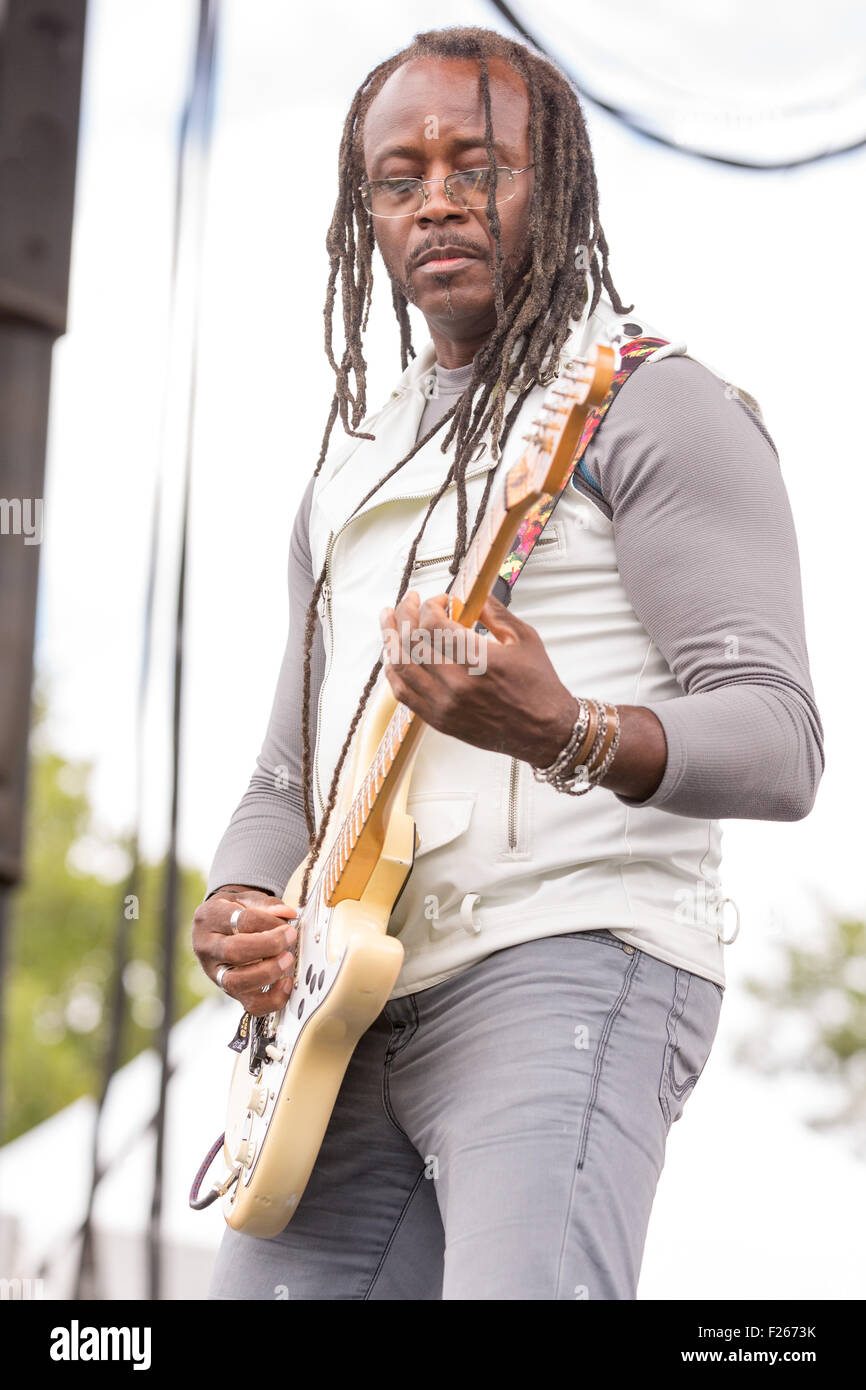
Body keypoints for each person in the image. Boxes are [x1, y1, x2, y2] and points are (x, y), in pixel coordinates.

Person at [192, 26, 824, 1300]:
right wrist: (237, 908)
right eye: (398, 175)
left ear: (557, 186)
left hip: (570, 958)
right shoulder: (346, 471)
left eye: (475, 164)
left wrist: (565, 729)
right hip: (340, 1005)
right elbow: (281, 775)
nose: (435, 197)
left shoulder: (651, 404)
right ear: (364, 209)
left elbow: (776, 739)